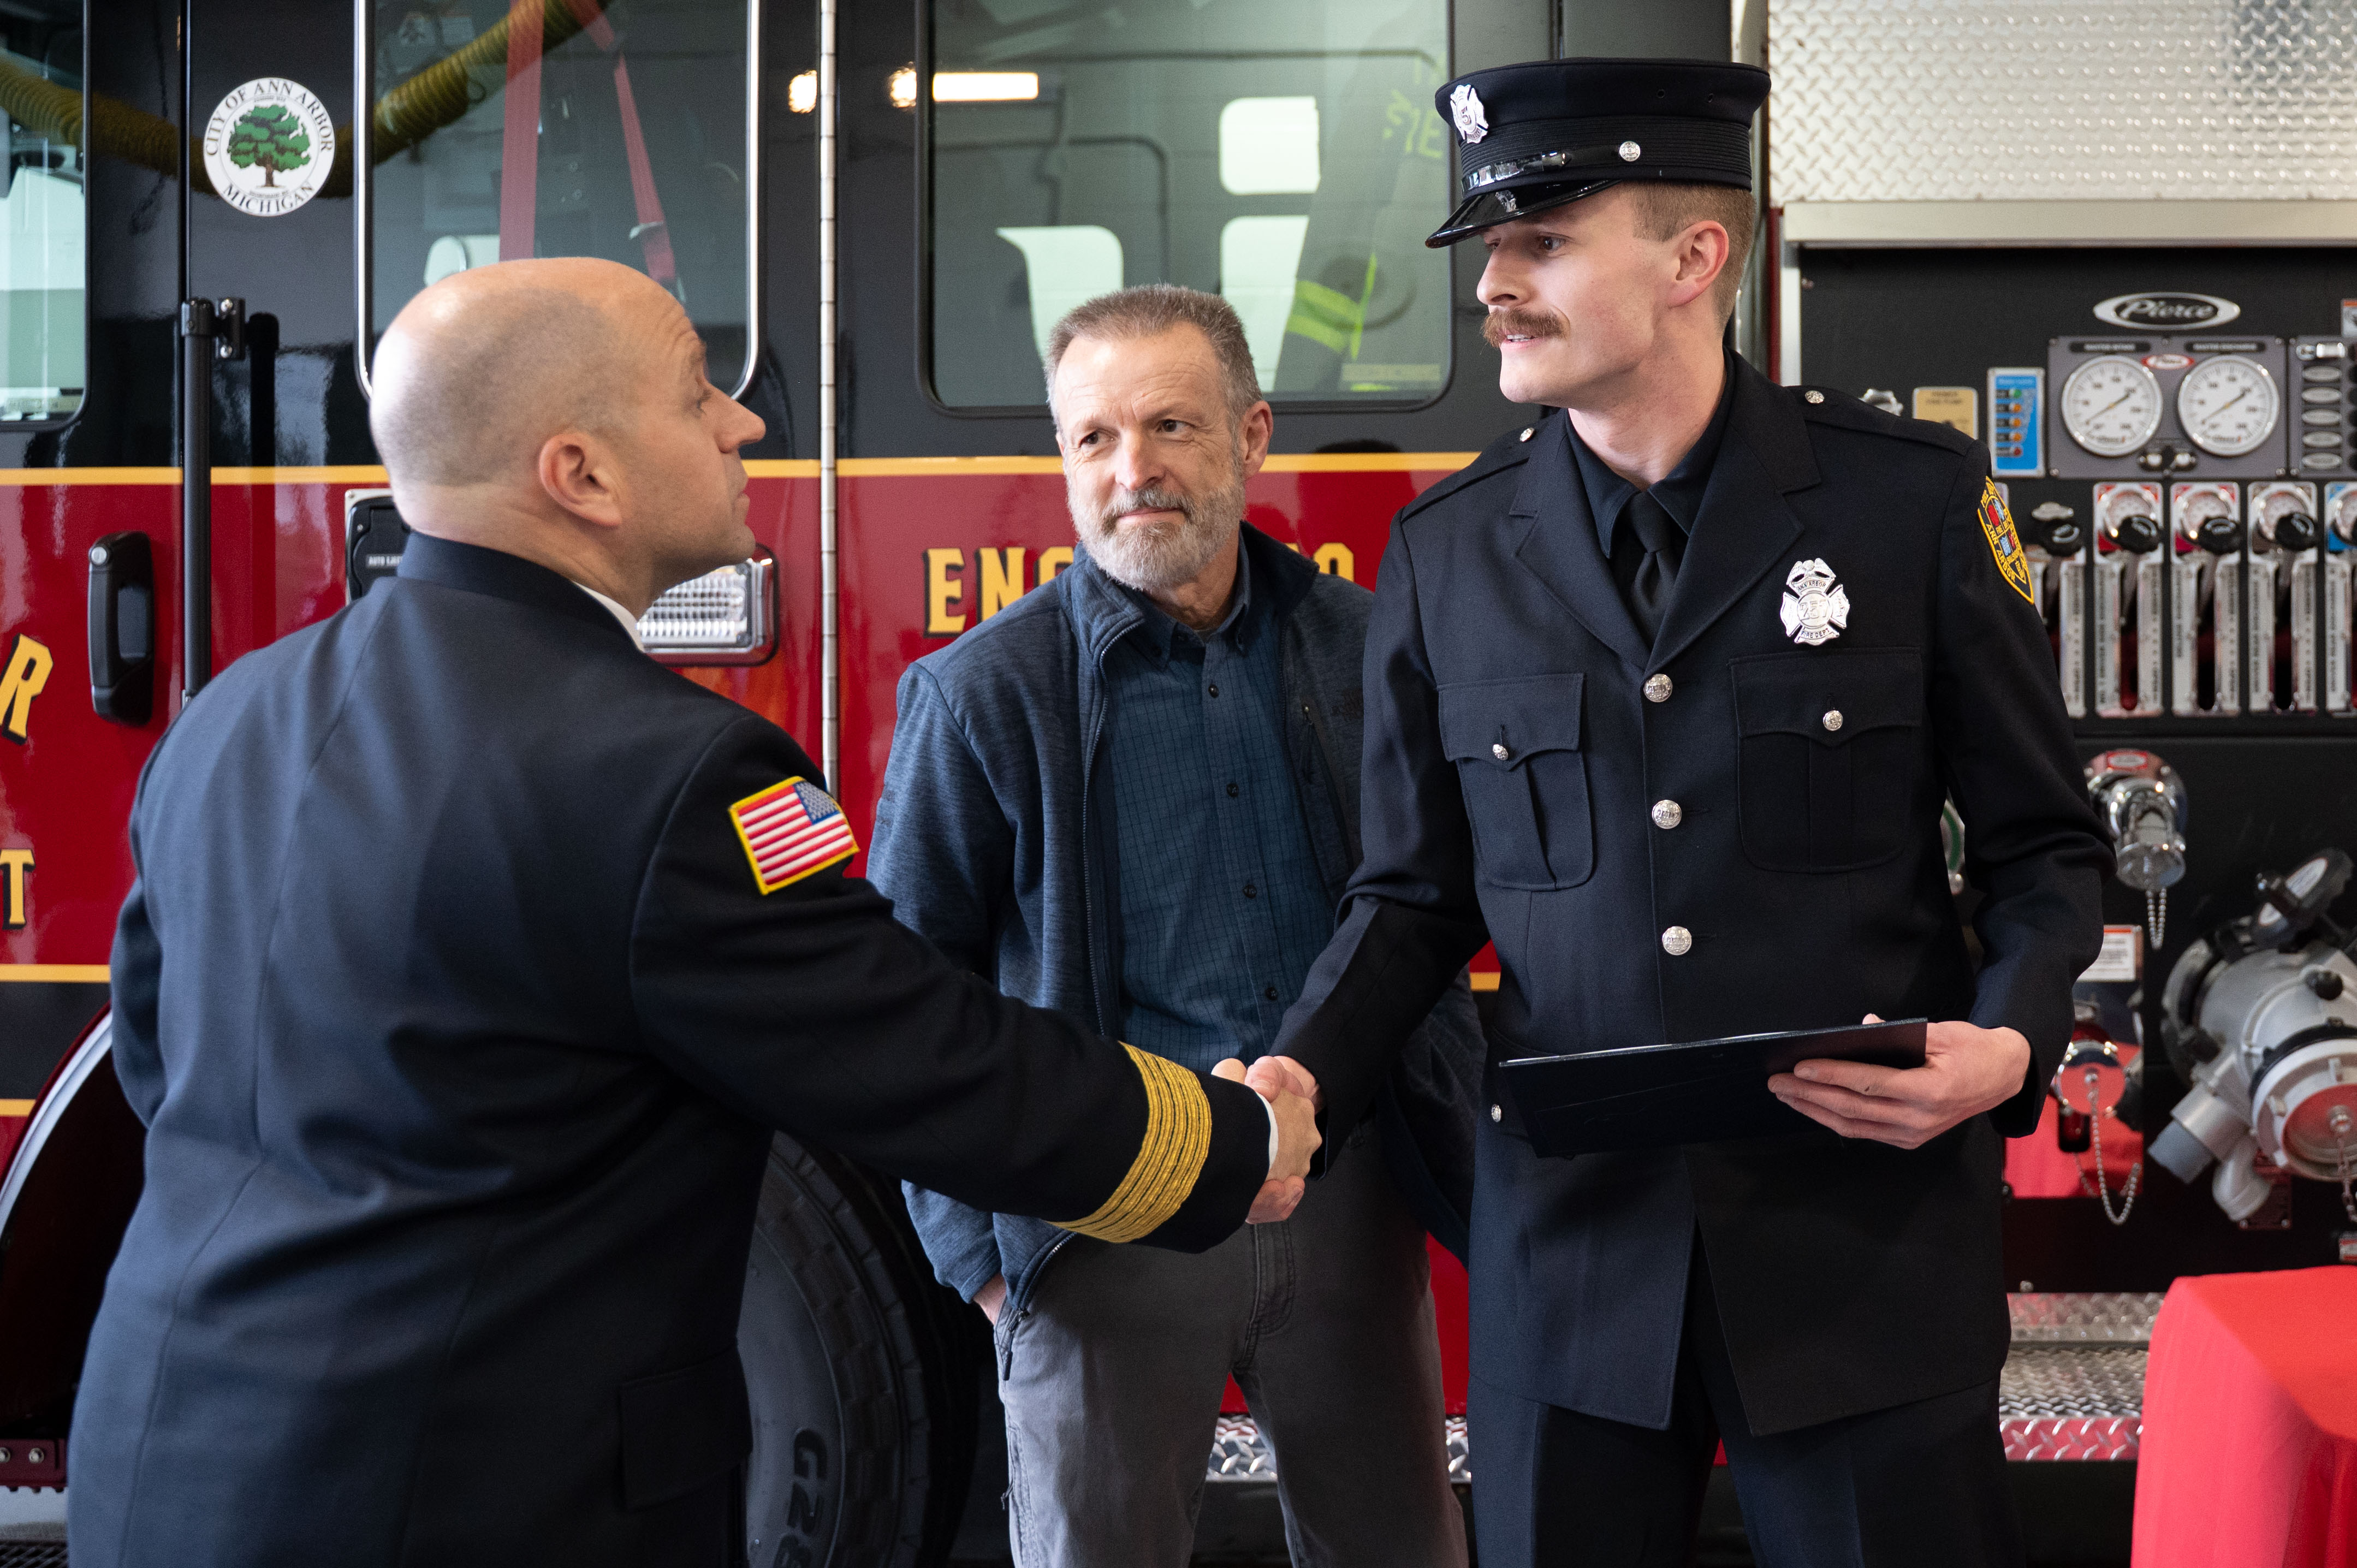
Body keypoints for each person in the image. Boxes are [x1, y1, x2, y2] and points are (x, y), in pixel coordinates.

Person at [67, 257, 1318, 1568]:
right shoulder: (668, 770)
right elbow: (929, 1063)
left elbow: (159, 1067)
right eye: (693, 396)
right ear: (581, 474)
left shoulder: (229, 717)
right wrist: (1233, 1138)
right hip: (471, 1502)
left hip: (165, 1461)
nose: (743, 421)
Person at [1245, 60, 2113, 1567]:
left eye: (1541, 243)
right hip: (1574, 1266)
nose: (1494, 290)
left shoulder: (1900, 508)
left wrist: (2011, 1043)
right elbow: (1409, 899)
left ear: (1691, 259)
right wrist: (1295, 1076)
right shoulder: (1448, 555)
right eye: (1488, 254)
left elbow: (2046, 849)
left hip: (1862, 1258)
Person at [869, 284, 1481, 1568]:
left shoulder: (1373, 653)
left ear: (1251, 436)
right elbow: (904, 999)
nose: (1131, 470)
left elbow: (1431, 909)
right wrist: (984, 1261)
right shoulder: (978, 696)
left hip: (1346, 1211)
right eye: (1092, 438)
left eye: (1170, 427)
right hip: (1102, 1226)